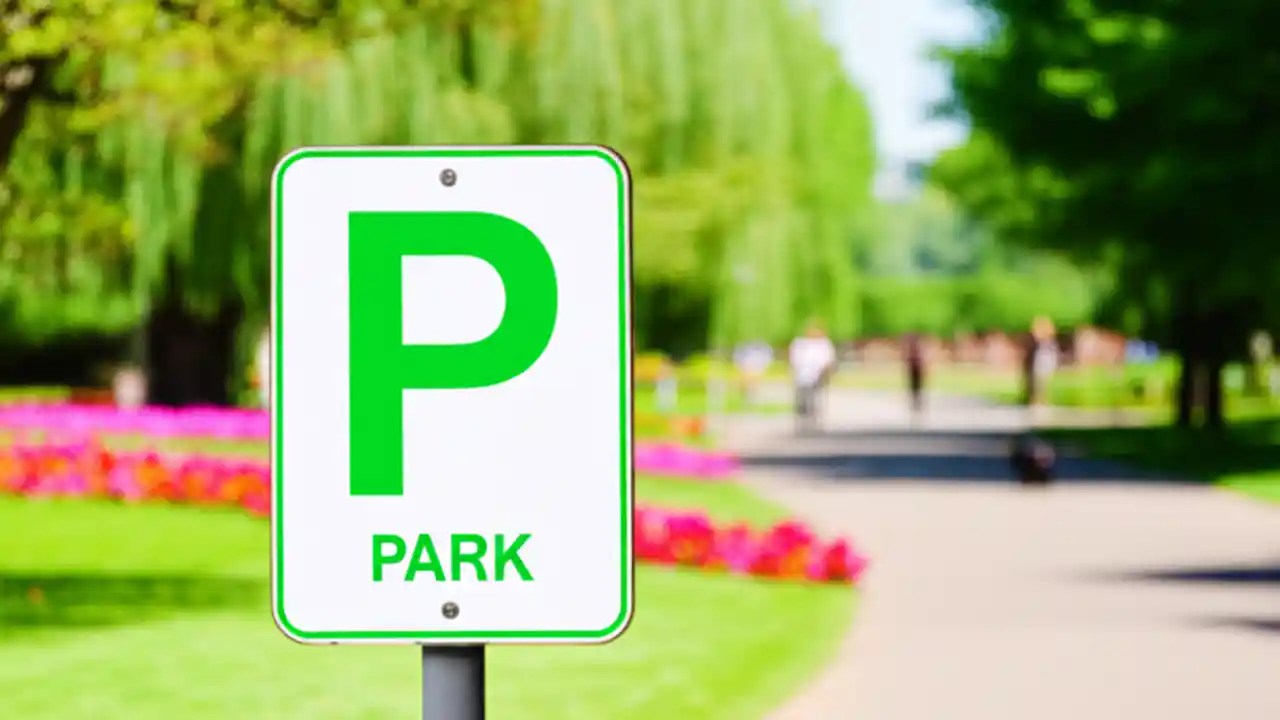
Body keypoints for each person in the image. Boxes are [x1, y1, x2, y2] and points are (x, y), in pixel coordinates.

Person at [789, 321, 837, 435]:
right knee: (802, 402)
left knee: (816, 400)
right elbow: (794, 359)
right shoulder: (800, 344)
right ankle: (802, 423)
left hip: (818, 377)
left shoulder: (824, 344)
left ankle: (815, 423)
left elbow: (829, 361)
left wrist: (826, 374)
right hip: (801, 377)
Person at [904, 333, 926, 418]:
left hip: (917, 370)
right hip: (913, 370)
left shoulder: (917, 349)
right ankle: (915, 403)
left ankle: (917, 403)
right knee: (913, 387)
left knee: (917, 387)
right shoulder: (912, 349)